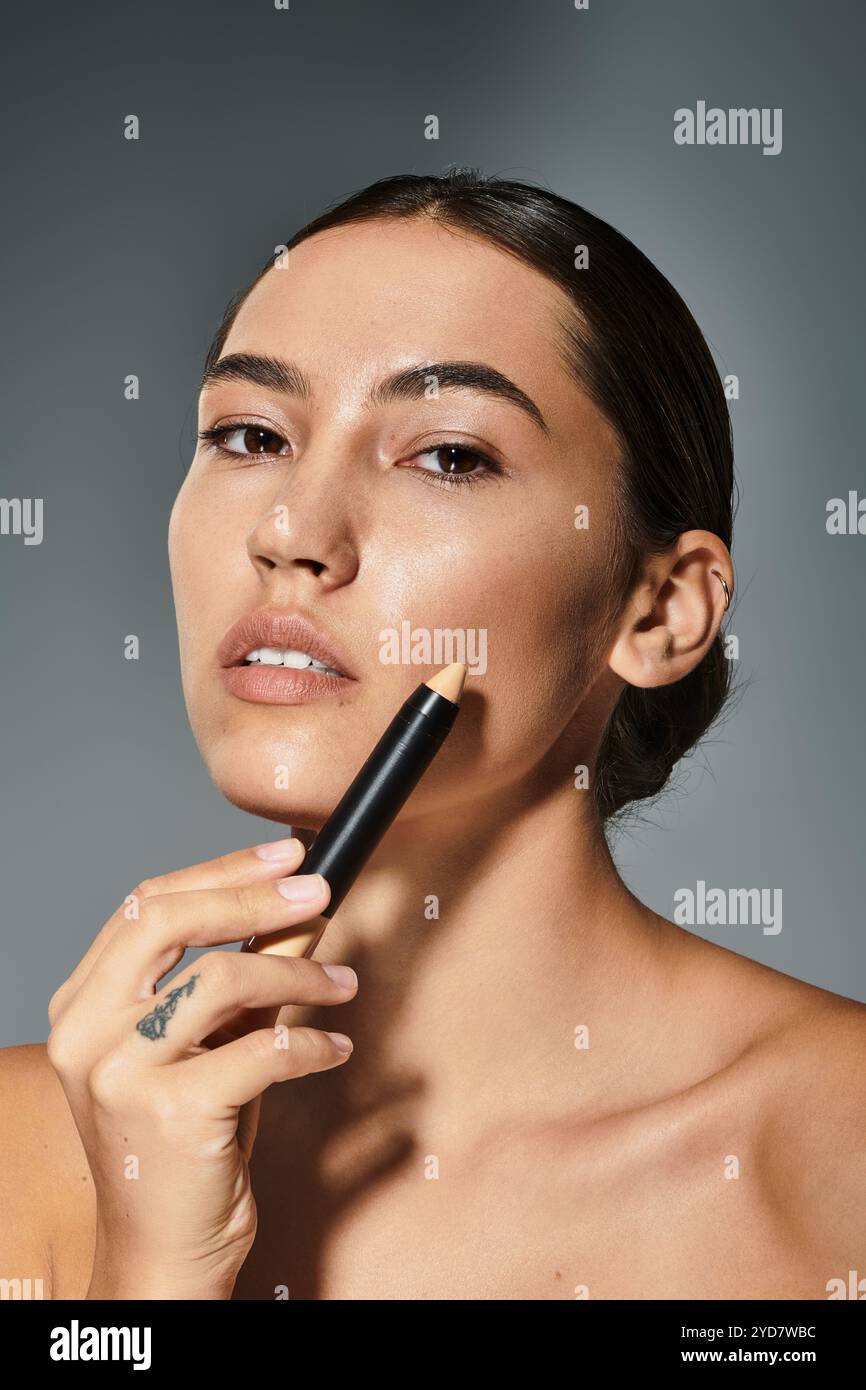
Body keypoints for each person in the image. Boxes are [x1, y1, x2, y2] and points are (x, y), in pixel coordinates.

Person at [3, 169, 864, 1300]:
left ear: (659, 610)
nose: (290, 532)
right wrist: (150, 1285)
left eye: (448, 455)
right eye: (250, 433)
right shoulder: (36, 1153)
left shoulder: (835, 1151)